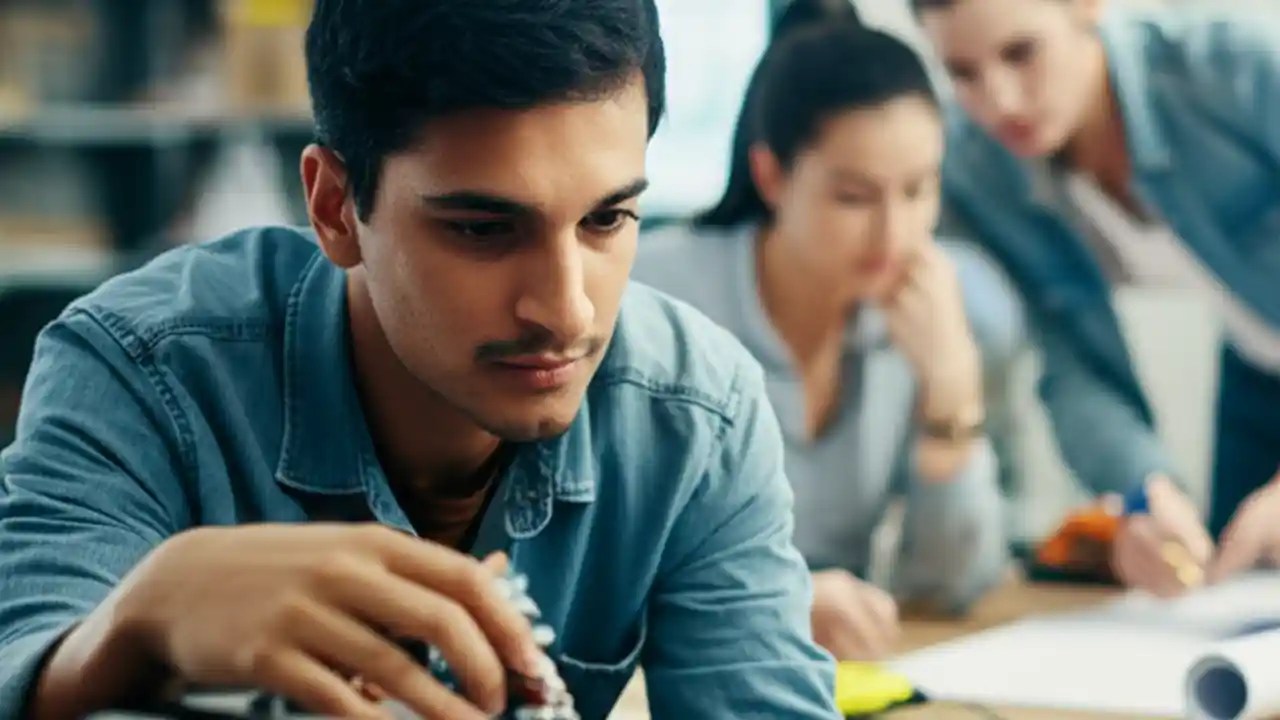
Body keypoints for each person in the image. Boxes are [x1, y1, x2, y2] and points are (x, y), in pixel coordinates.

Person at [0, 1, 840, 719]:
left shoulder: (696, 414)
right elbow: (25, 655)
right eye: (482, 229)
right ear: (335, 207)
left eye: (606, 221)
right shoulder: (140, 370)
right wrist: (134, 627)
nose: (568, 309)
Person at [632, 0, 1022, 662]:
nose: (894, 235)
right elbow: (587, 562)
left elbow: (945, 591)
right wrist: (767, 599)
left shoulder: (952, 311)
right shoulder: (654, 300)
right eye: (854, 197)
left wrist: (951, 393)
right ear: (771, 175)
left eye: (919, 191)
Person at [912, 0, 1280, 597]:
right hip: (1256, 374)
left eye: (1021, 53)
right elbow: (1072, 362)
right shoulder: (976, 167)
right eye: (962, 73)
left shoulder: (1233, 67)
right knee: (1226, 591)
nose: (1000, 102)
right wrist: (1144, 491)